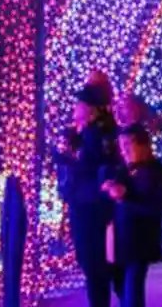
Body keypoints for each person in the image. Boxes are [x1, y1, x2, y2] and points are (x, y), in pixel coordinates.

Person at [56, 85, 120, 307]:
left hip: (90, 205)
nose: (75, 108)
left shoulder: (95, 134)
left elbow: (91, 166)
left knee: (93, 263)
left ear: (91, 109)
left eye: (79, 104)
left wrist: (65, 159)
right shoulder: (87, 132)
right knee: (93, 263)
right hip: (85, 203)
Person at [101, 125, 162, 307]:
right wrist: (111, 187)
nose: (123, 149)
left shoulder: (156, 171)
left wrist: (124, 198)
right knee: (122, 287)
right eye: (121, 144)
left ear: (143, 145)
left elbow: (155, 207)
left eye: (128, 144)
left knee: (132, 291)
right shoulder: (126, 169)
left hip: (140, 241)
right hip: (122, 240)